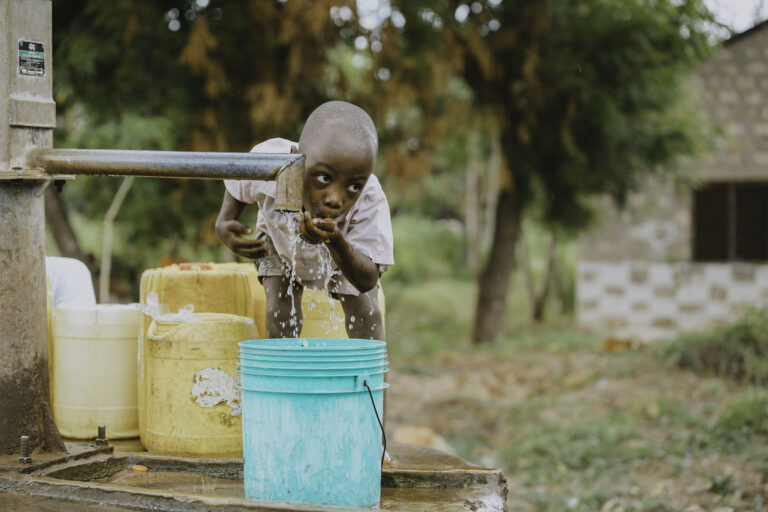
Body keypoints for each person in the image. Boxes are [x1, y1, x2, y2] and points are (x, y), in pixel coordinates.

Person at [215, 101, 393, 340]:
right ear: (295, 159)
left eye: (353, 186)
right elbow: (237, 185)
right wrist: (225, 224)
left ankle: (369, 377)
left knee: (366, 314)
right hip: (278, 243)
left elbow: (367, 279)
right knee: (280, 309)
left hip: (346, 251)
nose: (334, 199)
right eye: (323, 177)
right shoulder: (271, 164)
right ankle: (284, 373)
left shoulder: (370, 199)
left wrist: (335, 240)